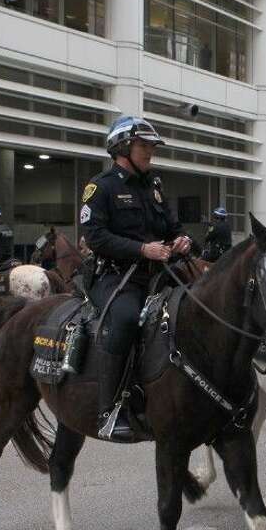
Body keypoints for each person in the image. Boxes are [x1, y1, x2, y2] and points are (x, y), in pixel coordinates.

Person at [81, 115, 192, 441]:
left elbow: (172, 227)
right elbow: (95, 237)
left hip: (157, 275)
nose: (150, 152)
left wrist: (182, 240)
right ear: (122, 148)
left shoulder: (153, 185)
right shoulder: (101, 187)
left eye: (151, 146)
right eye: (144, 146)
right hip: (114, 277)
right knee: (127, 319)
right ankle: (108, 410)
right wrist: (142, 249)